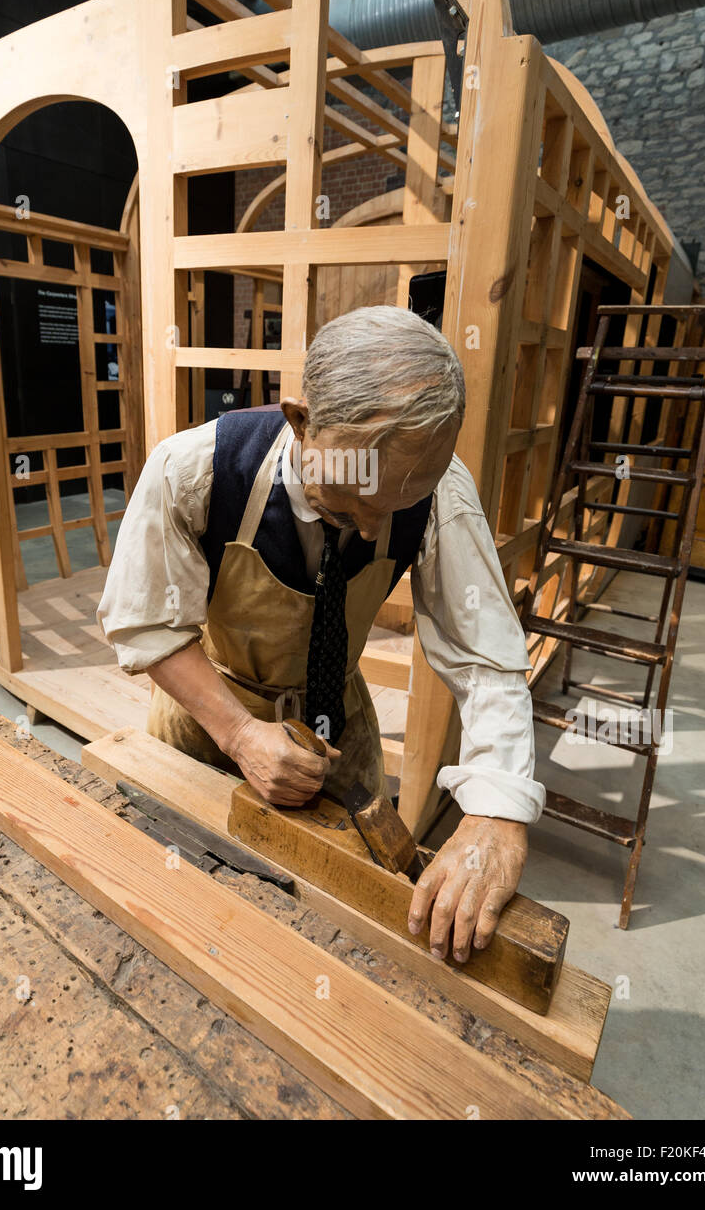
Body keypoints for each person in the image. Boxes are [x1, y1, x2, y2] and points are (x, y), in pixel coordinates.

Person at [98, 305, 544, 961]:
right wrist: (240, 734)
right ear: (303, 422)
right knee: (185, 919)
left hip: (339, 722)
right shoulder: (194, 468)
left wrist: (496, 813)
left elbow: (486, 660)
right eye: (355, 496)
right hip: (206, 718)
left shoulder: (437, 486)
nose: (369, 528)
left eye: (391, 506)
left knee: (337, 936)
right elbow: (145, 624)